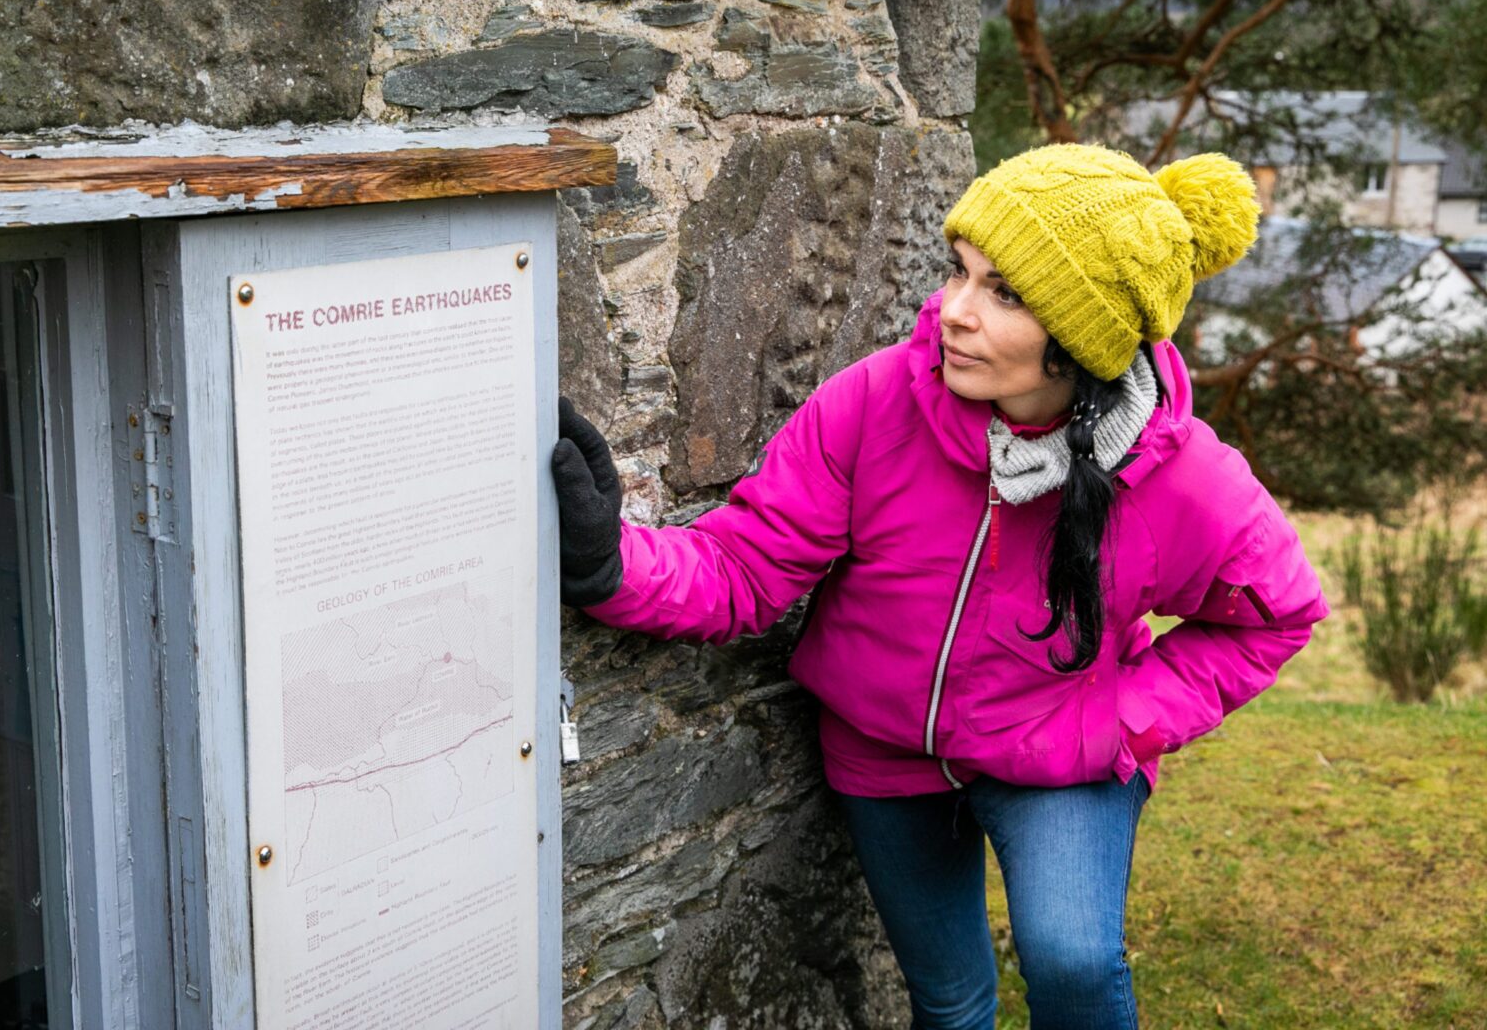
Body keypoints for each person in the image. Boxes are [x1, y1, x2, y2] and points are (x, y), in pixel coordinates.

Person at [551, 144, 1329, 1030]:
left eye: (1005, 293)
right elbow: (745, 566)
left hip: (1063, 759)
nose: (953, 313)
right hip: (886, 757)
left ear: (1084, 339)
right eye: (959, 273)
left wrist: (1123, 718)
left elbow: (1275, 617)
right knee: (951, 1004)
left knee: (1073, 964)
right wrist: (609, 562)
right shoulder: (876, 402)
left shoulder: (1181, 477)